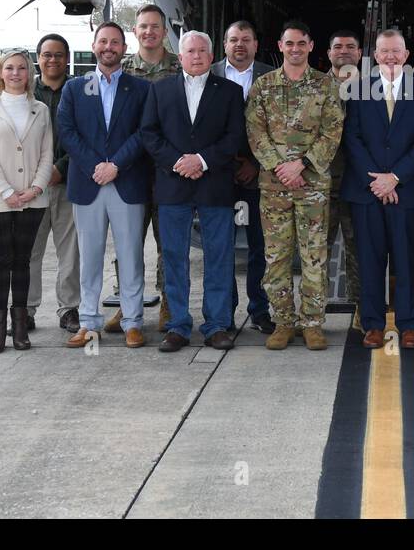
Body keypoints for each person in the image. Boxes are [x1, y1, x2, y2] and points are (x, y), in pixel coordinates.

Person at [140, 30, 245, 352]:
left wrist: (201, 160)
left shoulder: (229, 91)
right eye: (190, 51)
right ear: (180, 56)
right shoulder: (160, 91)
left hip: (215, 186)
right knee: (174, 258)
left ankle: (216, 325)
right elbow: (149, 133)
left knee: (219, 257)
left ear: (211, 56)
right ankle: (178, 326)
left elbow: (235, 136)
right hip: (174, 187)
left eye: (202, 51)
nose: (196, 56)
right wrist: (178, 162)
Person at [245, 20, 345, 351]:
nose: (296, 49)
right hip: (274, 186)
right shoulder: (263, 86)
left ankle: (313, 323)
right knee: (277, 257)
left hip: (312, 184)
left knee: (314, 255)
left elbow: (333, 130)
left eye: (301, 43)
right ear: (280, 46)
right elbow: (255, 132)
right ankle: (284, 322)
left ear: (311, 46)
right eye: (290, 44)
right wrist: (279, 167)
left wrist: (300, 164)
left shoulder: (325, 86)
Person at [58, 22, 154, 350]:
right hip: (88, 184)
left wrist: (116, 165)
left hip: (126, 182)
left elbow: (144, 132)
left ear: (124, 48)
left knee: (131, 256)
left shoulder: (141, 89)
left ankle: (132, 322)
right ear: (94, 46)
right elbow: (67, 132)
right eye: (103, 41)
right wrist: (95, 166)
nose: (108, 47)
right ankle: (88, 323)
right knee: (90, 257)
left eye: (115, 42)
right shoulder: (74, 88)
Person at [342, 29, 414, 349]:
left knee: (407, 258)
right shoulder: (356, 89)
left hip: (407, 191)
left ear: (407, 55)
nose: (391, 57)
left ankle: (409, 324)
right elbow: (351, 139)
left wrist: (395, 177)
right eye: (384, 52)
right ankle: (373, 324)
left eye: (397, 51)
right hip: (367, 192)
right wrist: (377, 181)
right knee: (369, 259)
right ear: (375, 56)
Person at [103, 4, 181, 334]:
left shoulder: (180, 69)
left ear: (165, 32)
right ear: (134, 32)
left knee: (170, 244)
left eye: (155, 26)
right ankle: (127, 303)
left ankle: (169, 304)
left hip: (167, 171)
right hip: (130, 171)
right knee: (128, 242)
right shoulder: (121, 71)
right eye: (142, 26)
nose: (149, 31)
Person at [0, 49, 53, 353]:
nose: (16, 73)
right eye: (10, 68)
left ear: (29, 73)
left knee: (23, 262)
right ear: (0, 72)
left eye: (22, 68)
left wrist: (35, 188)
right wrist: (6, 192)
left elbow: (47, 153)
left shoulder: (41, 110)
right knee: (1, 261)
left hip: (33, 200)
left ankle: (20, 325)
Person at [214, 21, 276, 334]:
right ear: (224, 44)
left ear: (256, 44)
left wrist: (254, 162)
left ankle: (259, 309)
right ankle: (224, 311)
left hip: (258, 176)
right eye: (234, 40)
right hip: (218, 176)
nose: (240, 45)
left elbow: (278, 128)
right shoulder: (208, 74)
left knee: (258, 247)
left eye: (246, 40)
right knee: (221, 247)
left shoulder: (270, 76)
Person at [28, 33, 81, 334]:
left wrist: (61, 168)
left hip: (67, 183)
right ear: (38, 59)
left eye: (58, 54)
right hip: (31, 187)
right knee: (29, 252)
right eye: (47, 54)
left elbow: (88, 135)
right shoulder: (25, 91)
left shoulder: (79, 91)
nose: (52, 60)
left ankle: (69, 309)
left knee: (70, 251)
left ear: (67, 58)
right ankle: (25, 309)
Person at [326, 30, 363, 300]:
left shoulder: (374, 88)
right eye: (337, 46)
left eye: (351, 46)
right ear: (328, 53)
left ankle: (363, 309)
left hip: (361, 183)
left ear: (360, 54)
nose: (344, 51)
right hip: (322, 183)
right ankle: (312, 315)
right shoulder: (314, 87)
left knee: (361, 250)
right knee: (315, 251)